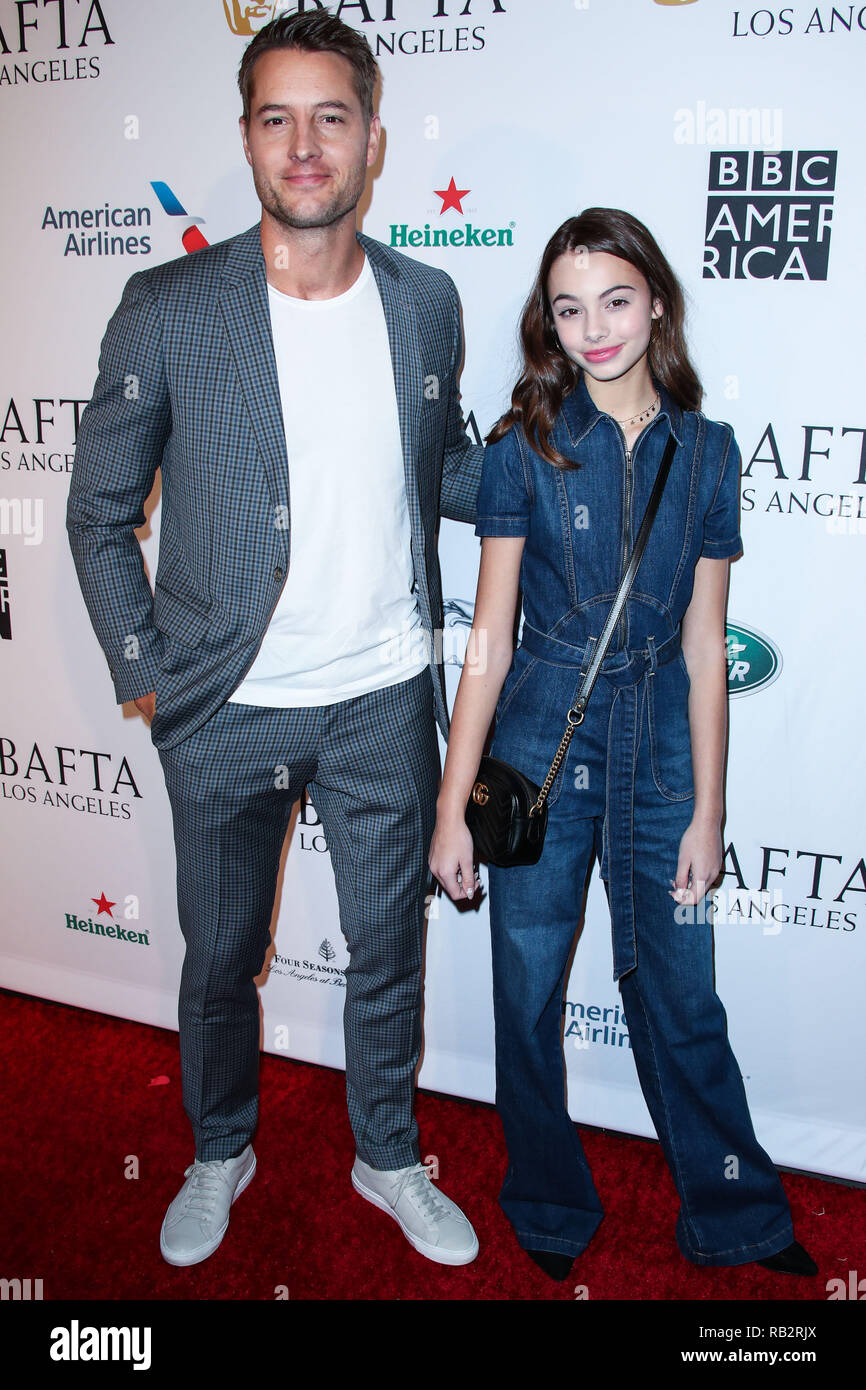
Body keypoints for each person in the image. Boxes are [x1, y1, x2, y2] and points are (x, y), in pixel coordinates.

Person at [66, 9, 482, 1269]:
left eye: (330, 117)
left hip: (379, 702)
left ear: (374, 139)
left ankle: (387, 1152)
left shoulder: (427, 301)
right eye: (275, 117)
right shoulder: (167, 306)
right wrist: (146, 678)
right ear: (246, 138)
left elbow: (442, 467)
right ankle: (218, 1146)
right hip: (224, 708)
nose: (305, 146)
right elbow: (93, 513)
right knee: (218, 961)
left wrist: (543, 464)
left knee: (388, 954)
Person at [428, 208, 817, 1282]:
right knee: (526, 990)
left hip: (655, 753)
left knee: (680, 992)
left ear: (654, 301)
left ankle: (734, 1213)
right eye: (568, 307)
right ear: (546, 325)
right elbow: (487, 644)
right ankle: (547, 1203)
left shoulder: (707, 453)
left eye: (613, 298)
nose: (594, 327)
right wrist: (451, 800)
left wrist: (707, 810)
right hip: (537, 741)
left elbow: (703, 647)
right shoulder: (523, 451)